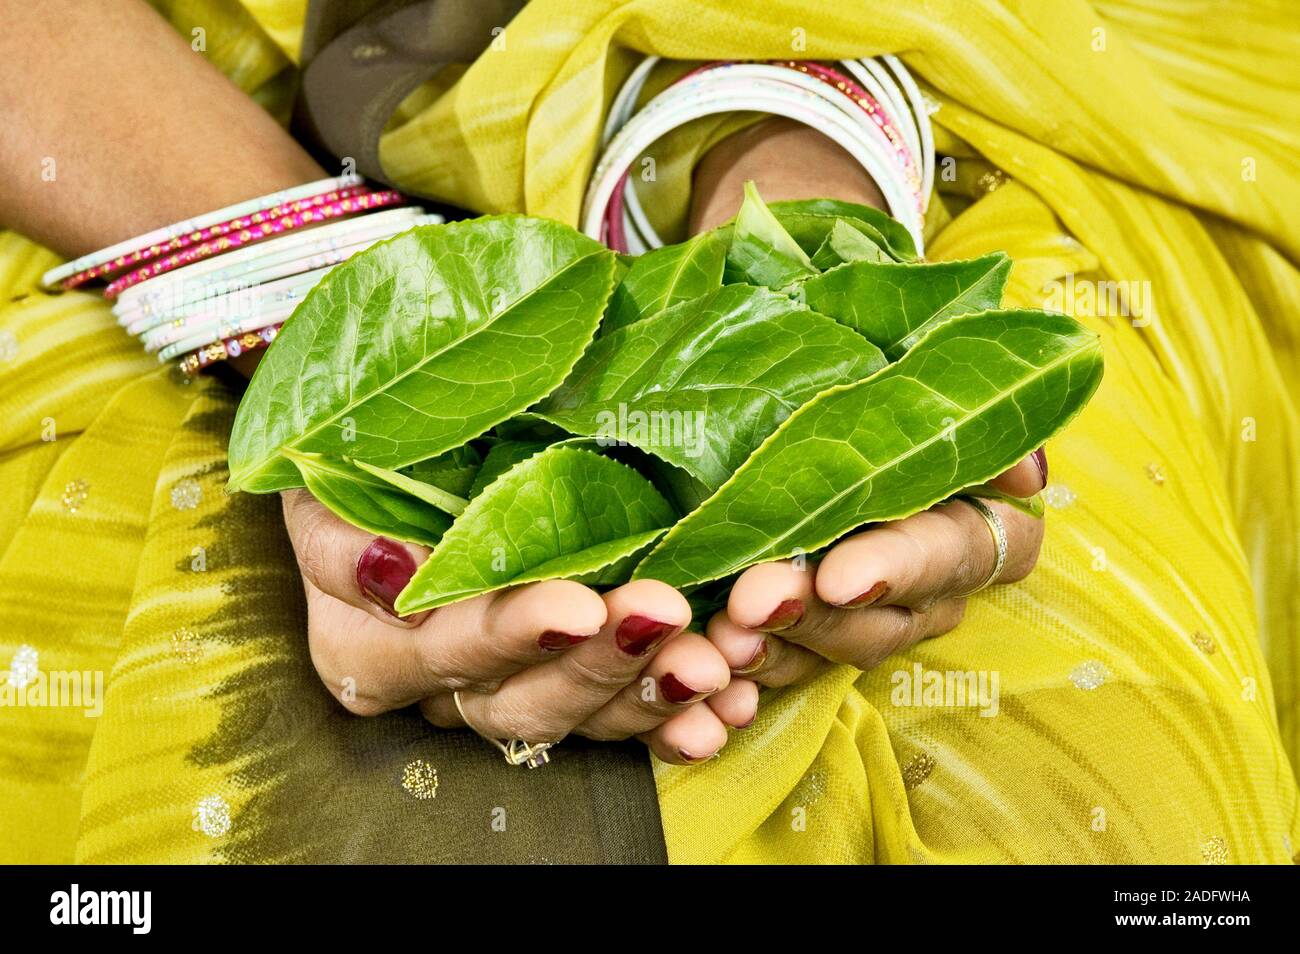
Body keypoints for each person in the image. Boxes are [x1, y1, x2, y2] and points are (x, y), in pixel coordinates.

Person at [0, 0, 1296, 864]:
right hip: (142, 121)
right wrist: (316, 308)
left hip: (1006, 90)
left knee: (1106, 782)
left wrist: (793, 183)